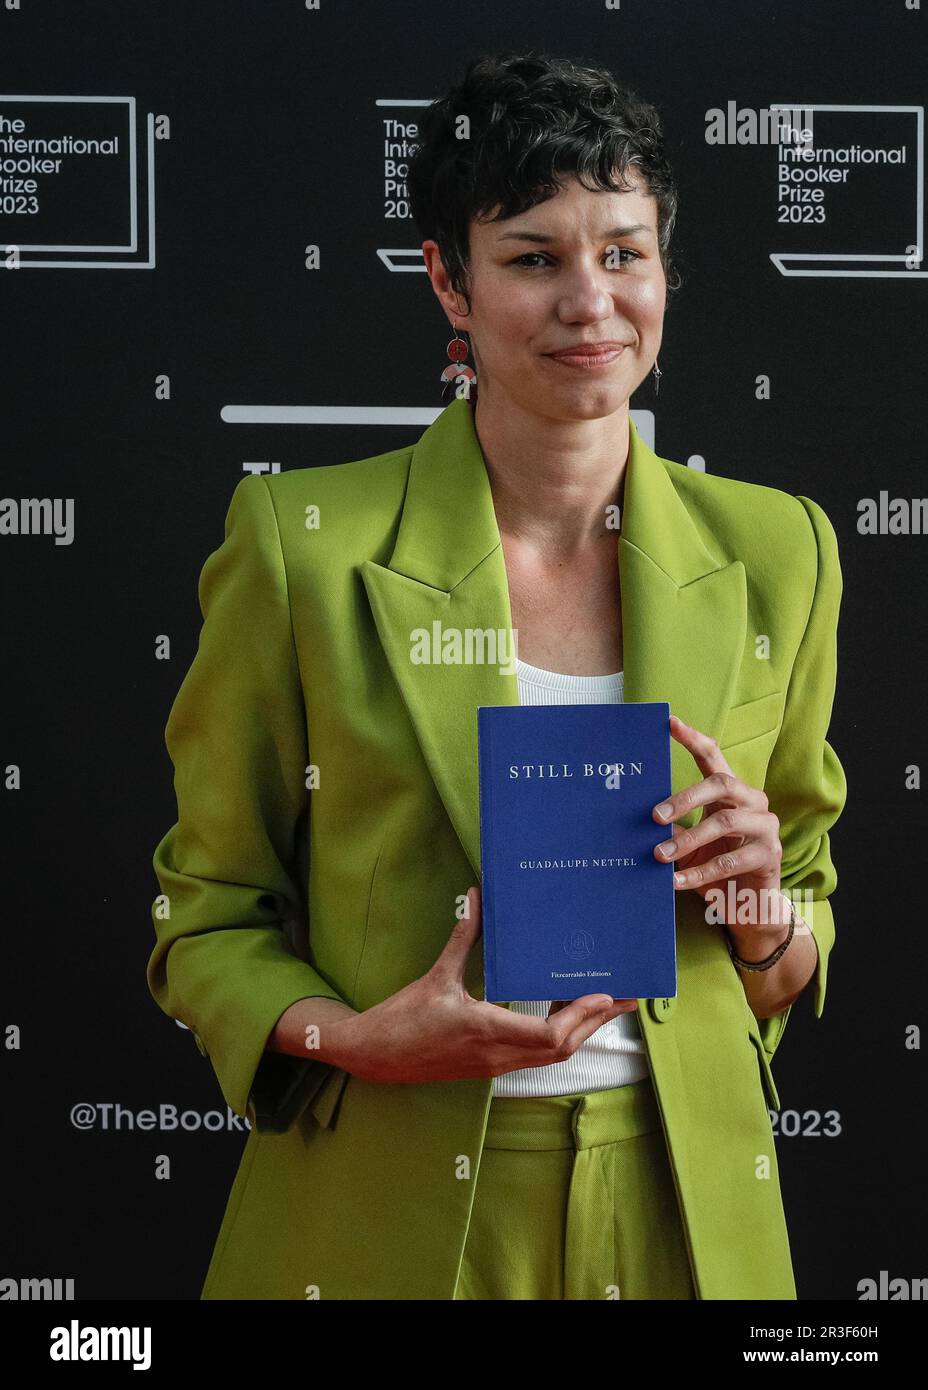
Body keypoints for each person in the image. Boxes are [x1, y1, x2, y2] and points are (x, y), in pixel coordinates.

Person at [147, 51, 846, 1300]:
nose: (591, 302)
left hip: (685, 1206)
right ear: (446, 282)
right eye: (534, 258)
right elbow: (204, 918)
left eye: (623, 253)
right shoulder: (302, 548)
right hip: (387, 1206)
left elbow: (795, 923)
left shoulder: (778, 550)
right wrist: (354, 1039)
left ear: (663, 270)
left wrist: (764, 916)